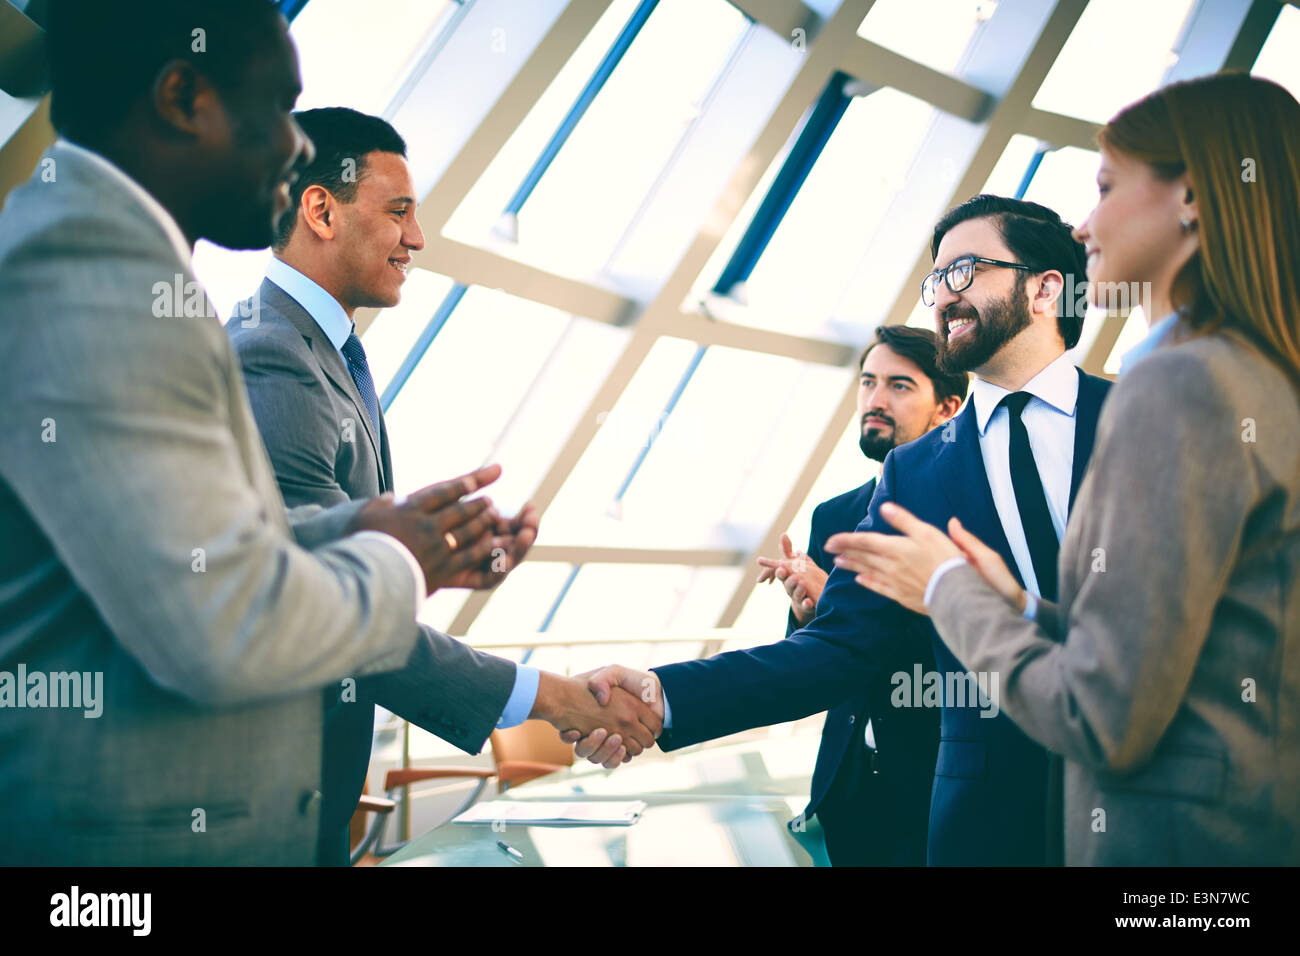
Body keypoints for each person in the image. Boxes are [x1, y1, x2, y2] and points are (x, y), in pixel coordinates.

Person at [0, 0, 656, 865]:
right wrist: (401, 560)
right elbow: (222, 620)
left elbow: (196, 548)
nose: (296, 144)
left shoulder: (117, 262)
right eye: (278, 105)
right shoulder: (101, 277)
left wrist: (364, 529)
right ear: (179, 95)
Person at [827, 73, 1300, 866]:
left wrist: (950, 593)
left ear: (1190, 198)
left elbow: (1100, 715)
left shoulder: (1179, 385)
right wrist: (1021, 609)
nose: (1086, 225)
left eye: (1109, 186)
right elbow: (1205, 655)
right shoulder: (1262, 379)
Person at [574, 195, 1111, 866]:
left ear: (1046, 288)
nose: (943, 295)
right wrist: (663, 694)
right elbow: (837, 649)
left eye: (966, 269)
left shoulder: (1150, 418)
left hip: (1164, 811)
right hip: (987, 831)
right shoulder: (915, 475)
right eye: (936, 279)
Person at [228, 106, 617, 865]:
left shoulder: (324, 353)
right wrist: (552, 698)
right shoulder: (272, 356)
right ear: (320, 208)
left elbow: (341, 575)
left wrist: (438, 559)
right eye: (398, 211)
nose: (417, 239)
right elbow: (325, 604)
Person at [752, 325, 964, 864]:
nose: (874, 399)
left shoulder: (968, 515)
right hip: (847, 792)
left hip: (939, 792)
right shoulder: (834, 515)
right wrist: (807, 615)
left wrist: (839, 606)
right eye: (868, 382)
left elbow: (968, 656)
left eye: (899, 386)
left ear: (947, 407)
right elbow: (816, 672)